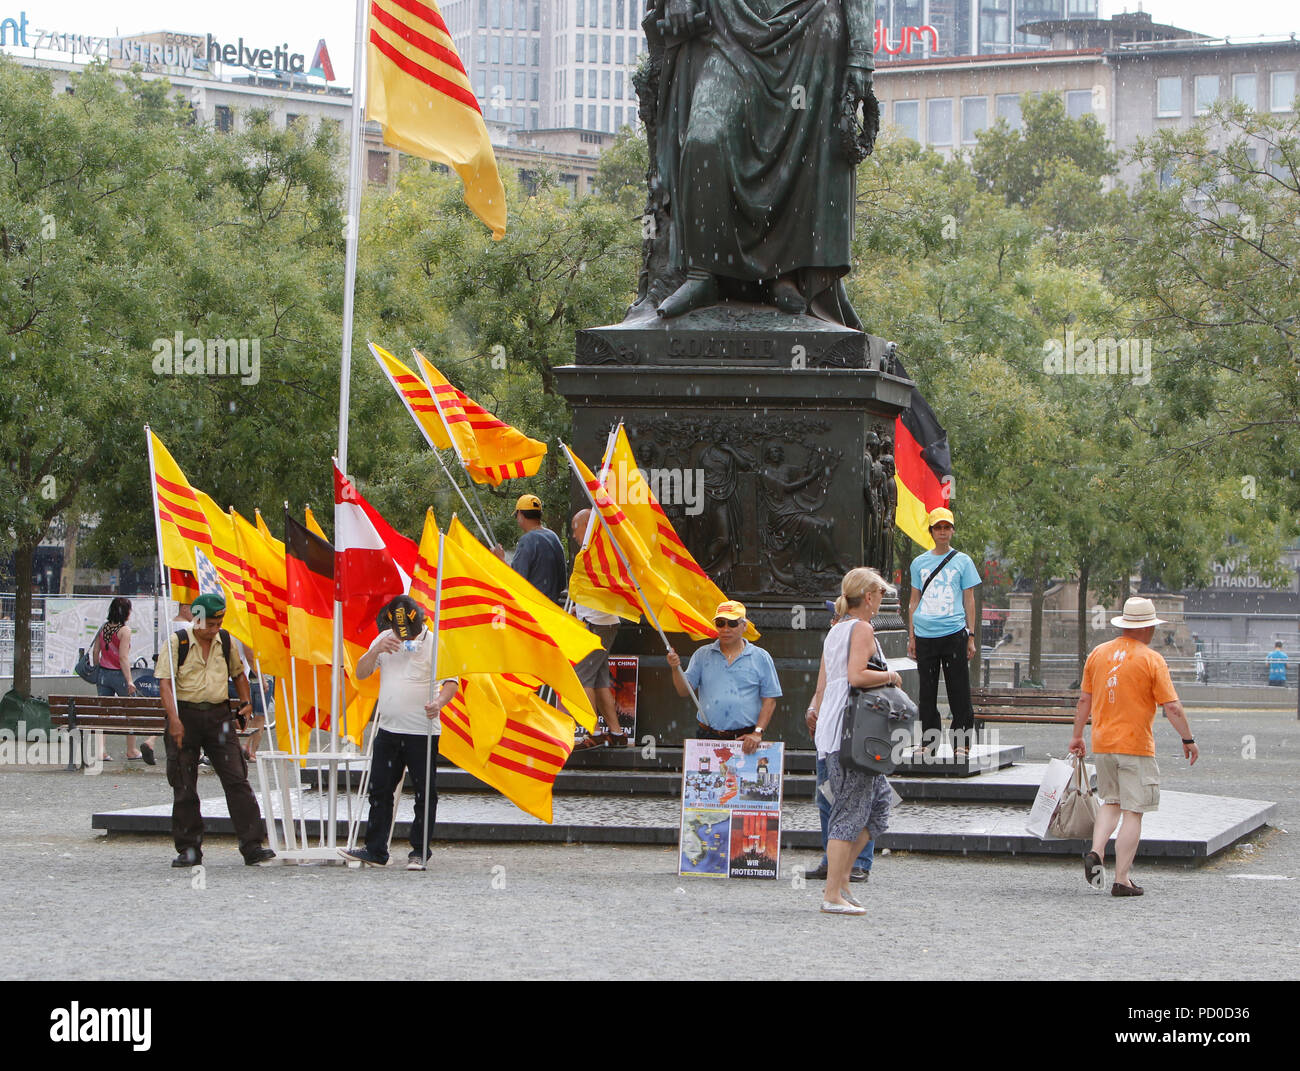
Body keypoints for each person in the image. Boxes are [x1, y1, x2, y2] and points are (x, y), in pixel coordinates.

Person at [653, 0, 878, 323]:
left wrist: (860, 53)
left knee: (799, 154)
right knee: (705, 138)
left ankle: (782, 273)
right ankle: (702, 272)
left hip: (808, 23)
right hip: (729, 22)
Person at [1069, 597, 1198, 897]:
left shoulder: (1098, 654)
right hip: (1136, 746)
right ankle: (1122, 879)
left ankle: (1097, 852)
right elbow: (1173, 708)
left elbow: (1084, 700)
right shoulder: (1151, 659)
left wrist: (1077, 735)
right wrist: (1188, 739)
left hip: (1103, 744)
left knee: (1110, 802)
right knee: (1133, 812)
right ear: (1146, 628)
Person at [156, 593, 275, 867]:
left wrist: (245, 703)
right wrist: (173, 720)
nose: (214, 629)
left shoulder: (225, 641)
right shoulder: (177, 642)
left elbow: (239, 674)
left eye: (219, 622)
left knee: (237, 780)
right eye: (210, 624)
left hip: (219, 716)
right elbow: (165, 685)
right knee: (184, 783)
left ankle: (252, 844)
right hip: (185, 715)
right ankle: (189, 849)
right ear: (196, 619)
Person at [806, 568, 899, 915]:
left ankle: (842, 880)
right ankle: (832, 893)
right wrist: (891, 675)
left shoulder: (837, 630)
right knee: (850, 811)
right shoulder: (861, 628)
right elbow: (857, 675)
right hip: (851, 734)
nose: (880, 603)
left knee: (879, 804)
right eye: (880, 596)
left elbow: (832, 679)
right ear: (870, 596)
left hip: (839, 732)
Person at [341, 596, 457, 871]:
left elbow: (451, 683)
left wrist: (438, 703)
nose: (408, 639)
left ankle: (419, 851)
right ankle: (376, 849)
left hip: (422, 731)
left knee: (424, 793)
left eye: (413, 634)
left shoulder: (436, 642)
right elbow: (360, 672)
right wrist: (376, 649)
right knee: (379, 789)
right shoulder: (384, 638)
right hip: (388, 729)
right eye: (402, 633)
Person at [804, 602, 872, 884]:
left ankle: (857, 863)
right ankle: (832, 861)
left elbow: (861, 679)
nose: (836, 619)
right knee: (826, 797)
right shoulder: (833, 641)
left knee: (857, 800)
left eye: (839, 614)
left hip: (853, 731)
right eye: (834, 615)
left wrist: (891, 676)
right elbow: (825, 684)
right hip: (830, 732)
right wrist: (813, 708)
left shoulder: (861, 635)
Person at [907, 507, 981, 759]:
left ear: (952, 530)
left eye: (946, 527)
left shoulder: (963, 561)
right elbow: (913, 600)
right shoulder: (919, 563)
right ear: (931, 531)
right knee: (926, 692)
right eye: (937, 528)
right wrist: (912, 635)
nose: (942, 532)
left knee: (958, 689)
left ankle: (962, 740)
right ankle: (929, 741)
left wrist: (970, 634)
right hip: (925, 633)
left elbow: (969, 600)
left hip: (953, 631)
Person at [666, 600, 781, 754]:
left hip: (746, 739)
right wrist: (675, 668)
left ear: (744, 626)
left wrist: (757, 733)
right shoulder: (702, 655)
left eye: (732, 623)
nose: (726, 629)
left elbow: (770, 699)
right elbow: (684, 690)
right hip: (707, 737)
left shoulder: (760, 657)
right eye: (720, 623)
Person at [569, 508, 630, 750]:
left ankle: (591, 730)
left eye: (575, 528)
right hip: (597, 620)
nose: (573, 535)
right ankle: (616, 733)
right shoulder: (594, 550)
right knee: (599, 680)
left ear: (586, 525)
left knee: (581, 676)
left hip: (598, 623)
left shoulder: (599, 549)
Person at [92, 597, 142, 762]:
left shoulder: (103, 627)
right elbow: (123, 658)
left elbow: (95, 652)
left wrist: (98, 669)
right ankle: (131, 750)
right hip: (120, 675)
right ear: (126, 612)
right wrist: (129, 680)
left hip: (103, 675)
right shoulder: (124, 630)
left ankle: (101, 751)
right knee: (131, 711)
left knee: (102, 714)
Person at [495, 493, 566, 604]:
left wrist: (500, 560)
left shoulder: (527, 540)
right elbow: (562, 581)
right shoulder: (553, 536)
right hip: (554, 607)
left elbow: (517, 580)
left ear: (520, 515)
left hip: (536, 608)